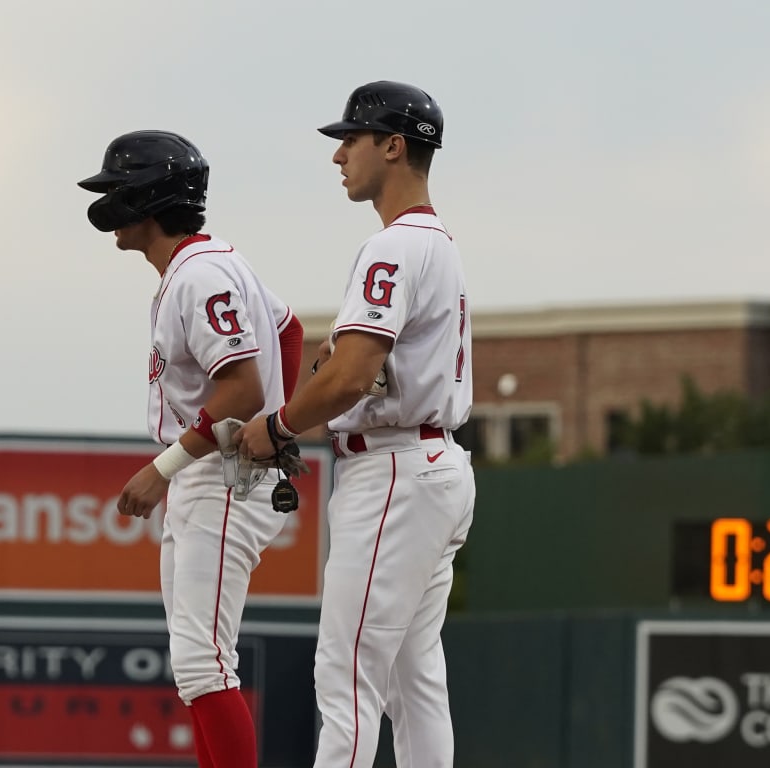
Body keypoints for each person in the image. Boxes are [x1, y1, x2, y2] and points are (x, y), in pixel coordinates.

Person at [234, 81, 476, 768]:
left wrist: (278, 426)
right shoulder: (439, 244)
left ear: (394, 146)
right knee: (413, 678)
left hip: (395, 471)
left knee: (345, 678)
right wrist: (346, 365)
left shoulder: (394, 247)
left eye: (353, 138)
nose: (339, 154)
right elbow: (367, 369)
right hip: (434, 466)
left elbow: (346, 380)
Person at [78, 130, 304, 768]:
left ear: (148, 198)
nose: (108, 203)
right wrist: (281, 423)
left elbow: (241, 385)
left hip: (222, 471)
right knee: (195, 666)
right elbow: (289, 329)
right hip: (222, 467)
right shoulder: (212, 262)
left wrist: (164, 467)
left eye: (119, 189)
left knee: (205, 662)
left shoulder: (198, 275)